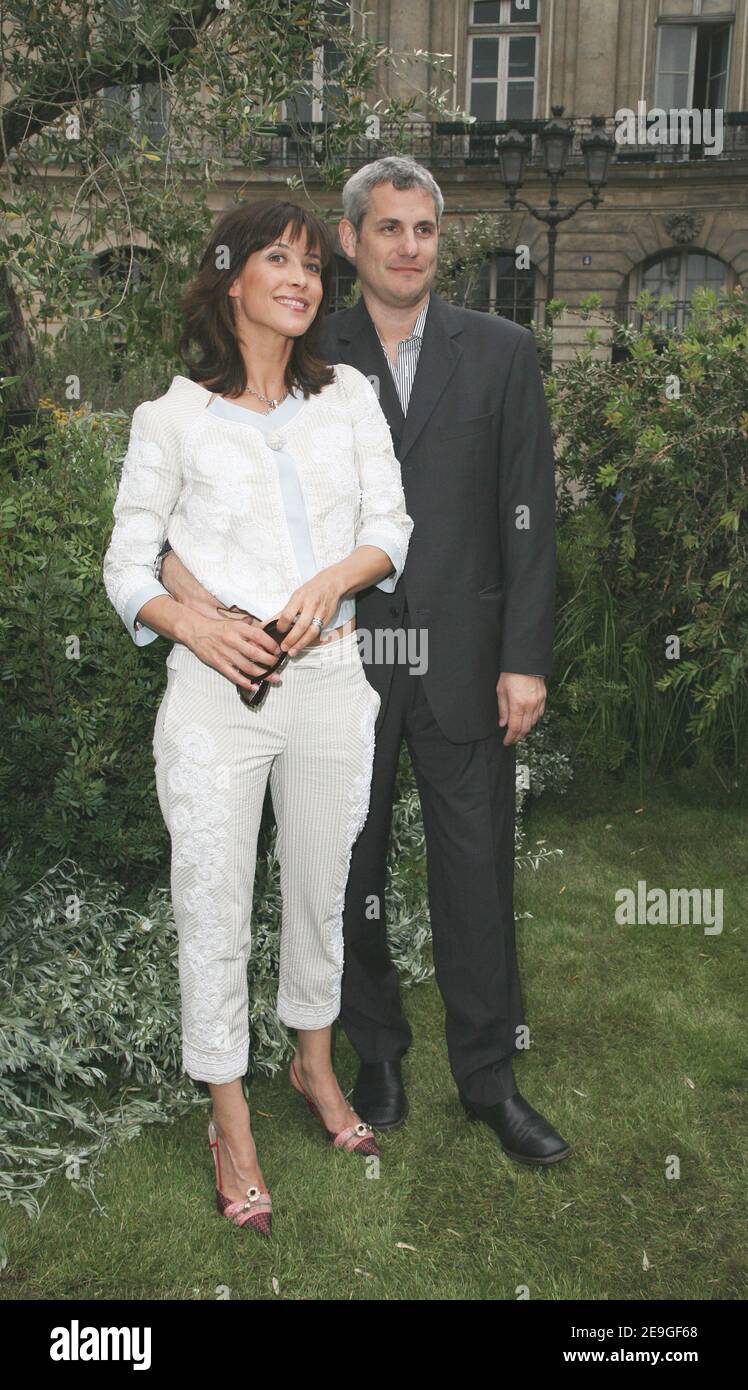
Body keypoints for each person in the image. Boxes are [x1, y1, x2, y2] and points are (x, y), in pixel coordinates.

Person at [154, 157, 571, 1167]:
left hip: (467, 658)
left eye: (423, 229)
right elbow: (202, 488)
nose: (407, 246)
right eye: (387, 228)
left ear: (439, 240)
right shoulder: (302, 344)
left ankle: (490, 1078)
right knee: (349, 871)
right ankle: (373, 1054)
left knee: (475, 872)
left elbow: (529, 515)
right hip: (335, 659)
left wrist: (524, 657)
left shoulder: (503, 350)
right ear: (351, 240)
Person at [102, 197, 414, 1235]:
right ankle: (228, 1120)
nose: (301, 276)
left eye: (314, 264)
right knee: (213, 906)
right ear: (228, 278)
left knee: (324, 892)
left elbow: (389, 524)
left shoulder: (350, 398)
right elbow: (125, 558)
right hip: (214, 702)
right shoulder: (171, 418)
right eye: (278, 258)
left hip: (330, 686)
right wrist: (191, 625)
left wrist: (335, 578)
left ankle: (314, 1066)